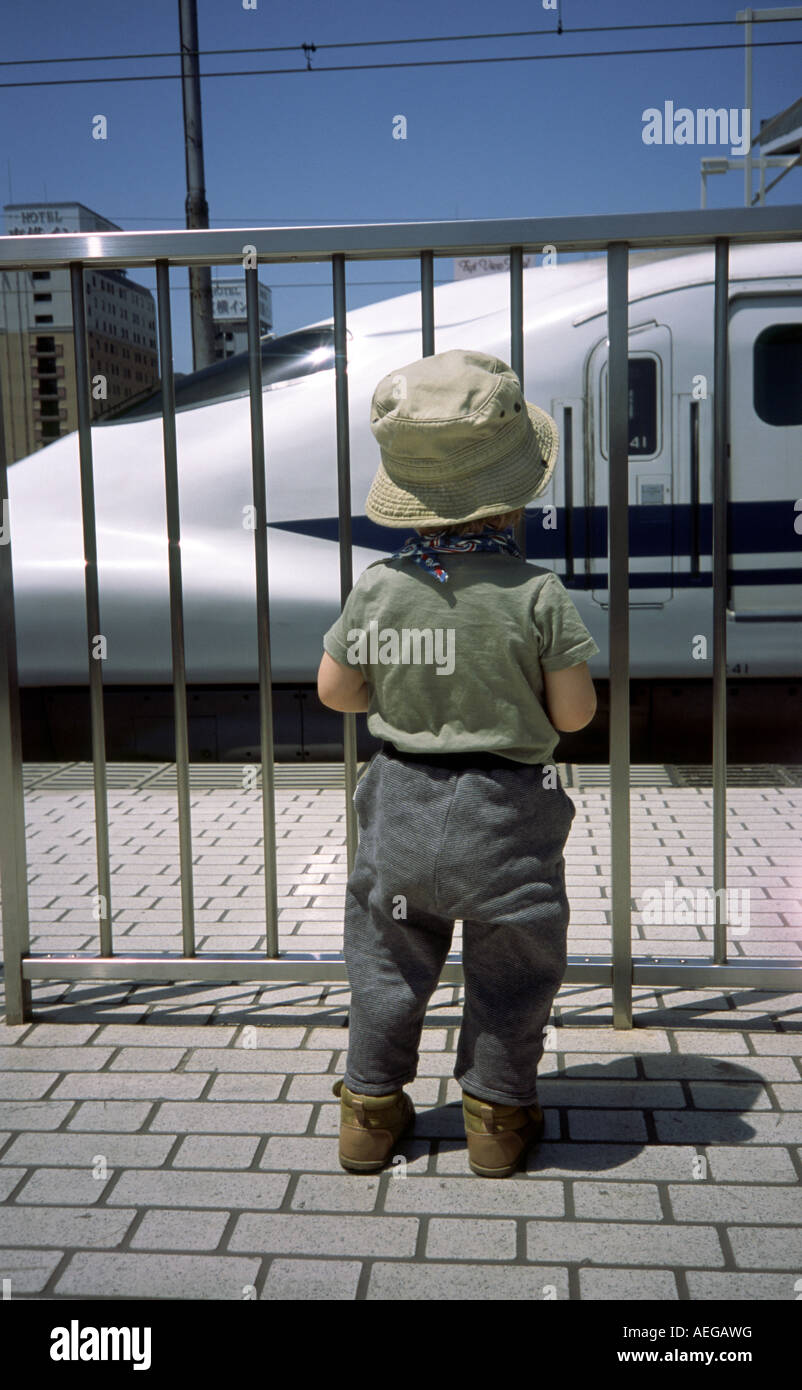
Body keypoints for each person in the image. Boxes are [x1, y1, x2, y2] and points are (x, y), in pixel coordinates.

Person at [318, 347, 600, 1178]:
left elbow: (337, 692)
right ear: (514, 499)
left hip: (400, 803)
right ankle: (496, 1122)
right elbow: (574, 713)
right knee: (514, 973)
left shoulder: (379, 587)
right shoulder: (539, 593)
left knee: (386, 964)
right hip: (508, 815)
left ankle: (368, 1114)